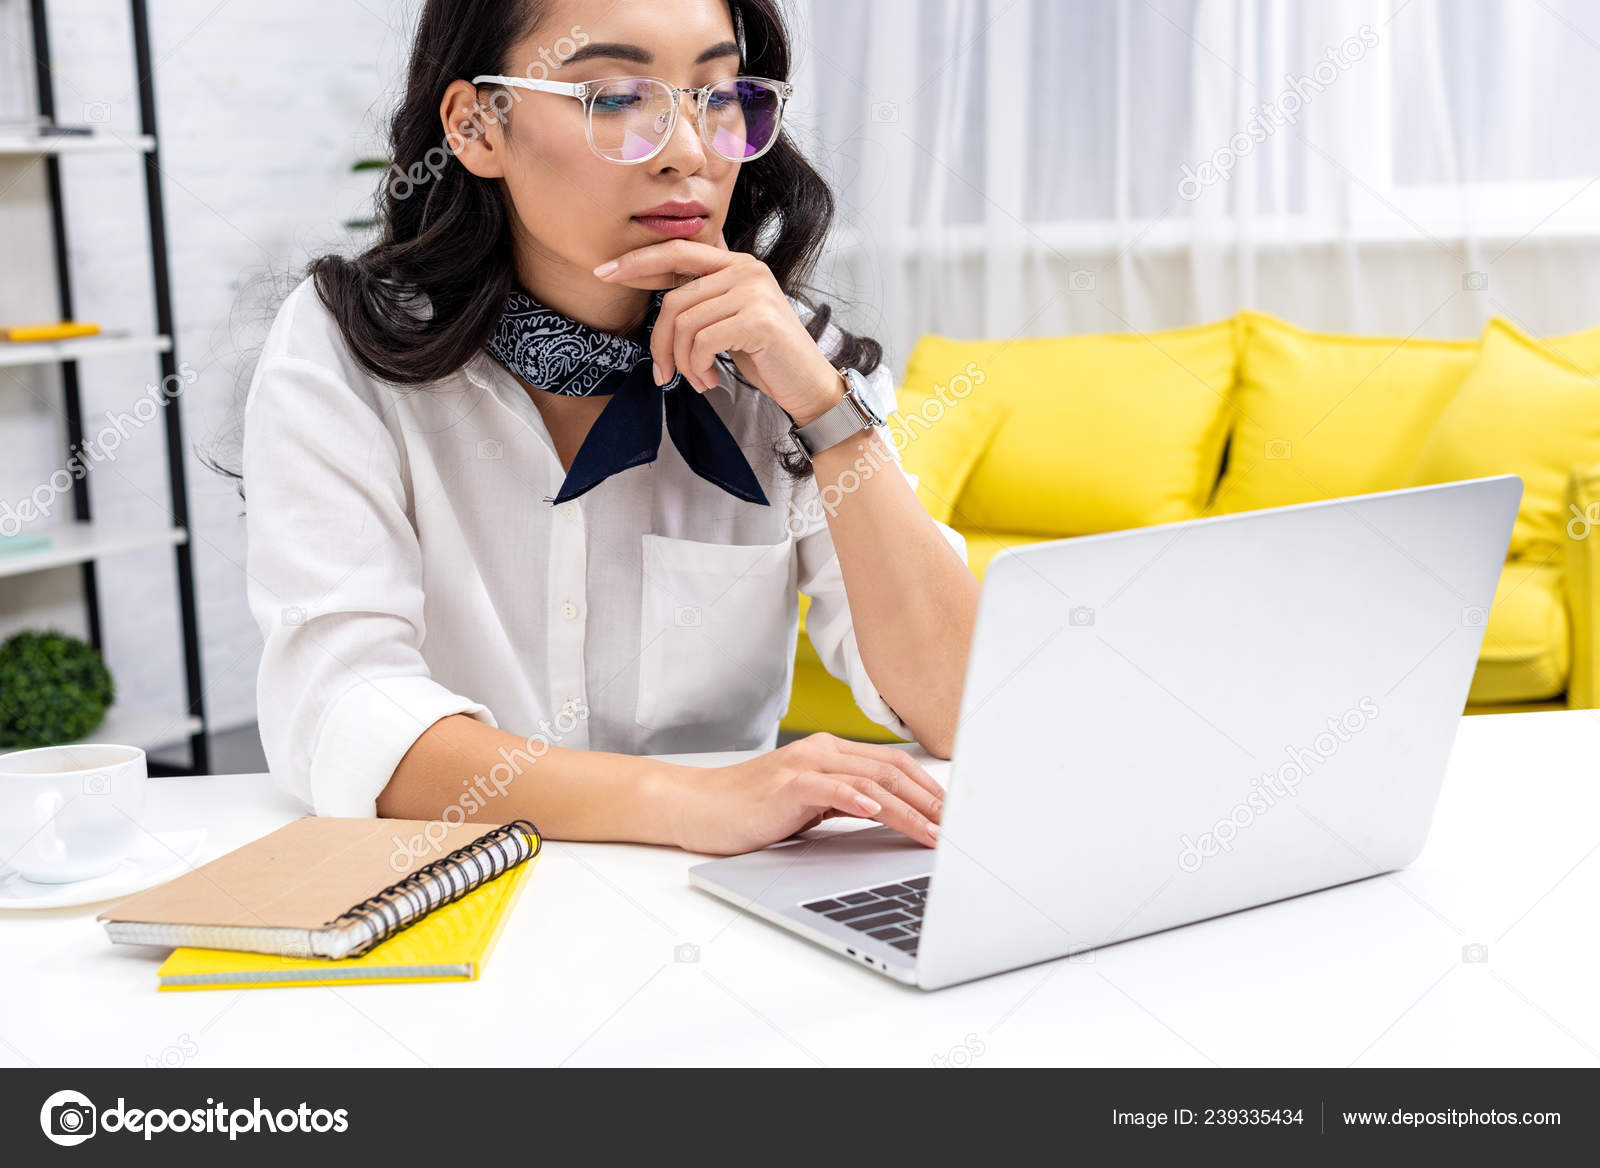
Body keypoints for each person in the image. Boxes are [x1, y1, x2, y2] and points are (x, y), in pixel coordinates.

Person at [242, 0, 980, 856]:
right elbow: (341, 712)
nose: (689, 152)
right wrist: (690, 802)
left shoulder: (793, 362)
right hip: (448, 888)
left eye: (715, 94)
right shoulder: (346, 347)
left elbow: (967, 706)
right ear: (477, 126)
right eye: (616, 98)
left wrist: (825, 411)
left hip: (717, 908)